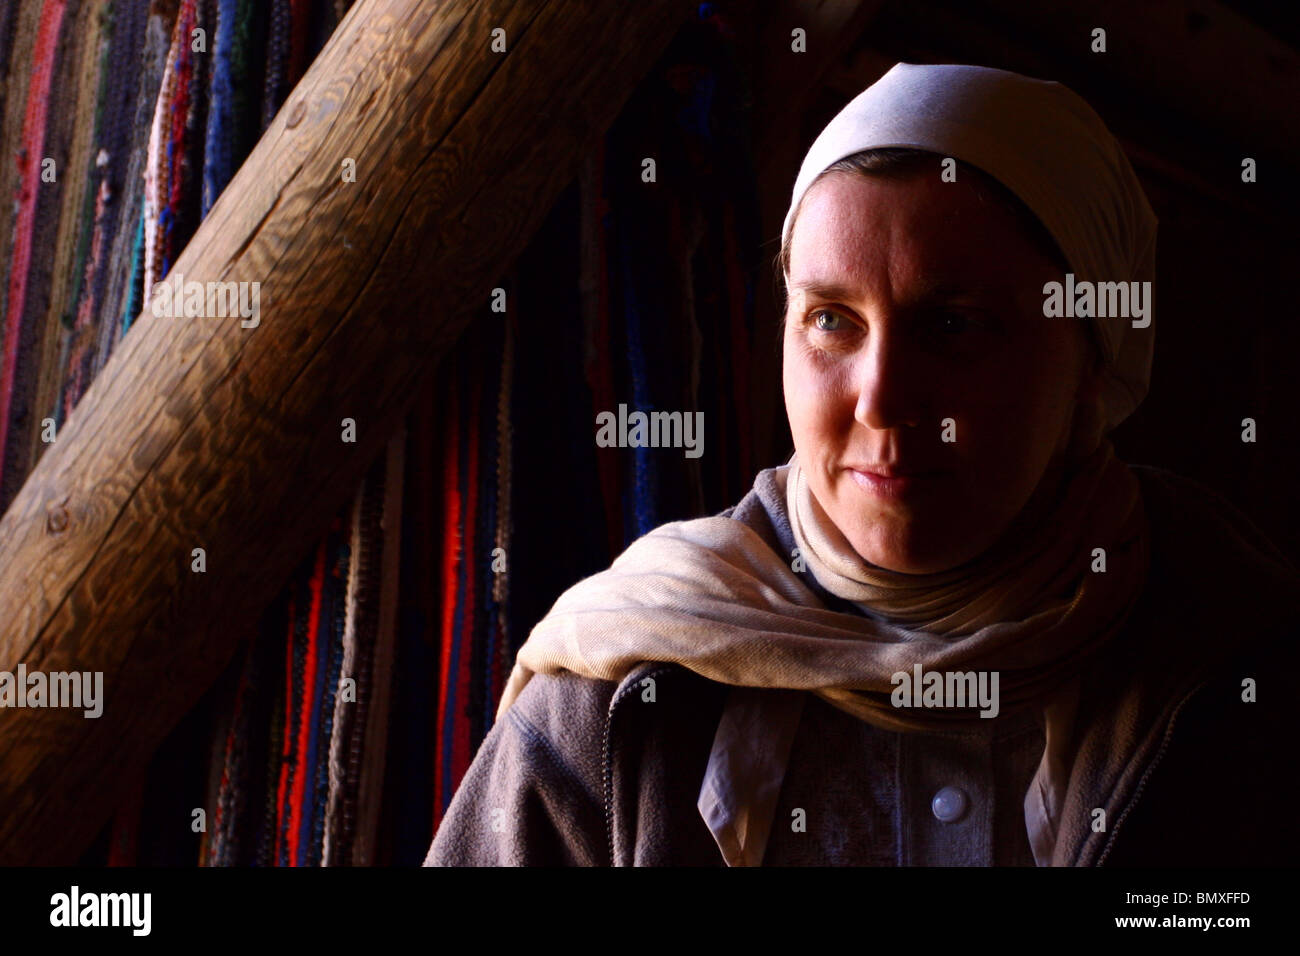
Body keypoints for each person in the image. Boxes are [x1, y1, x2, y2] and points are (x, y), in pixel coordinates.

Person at [425, 63, 1300, 867]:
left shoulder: (1233, 665)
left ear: (1090, 364)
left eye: (954, 325)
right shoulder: (622, 698)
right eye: (831, 320)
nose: (881, 401)